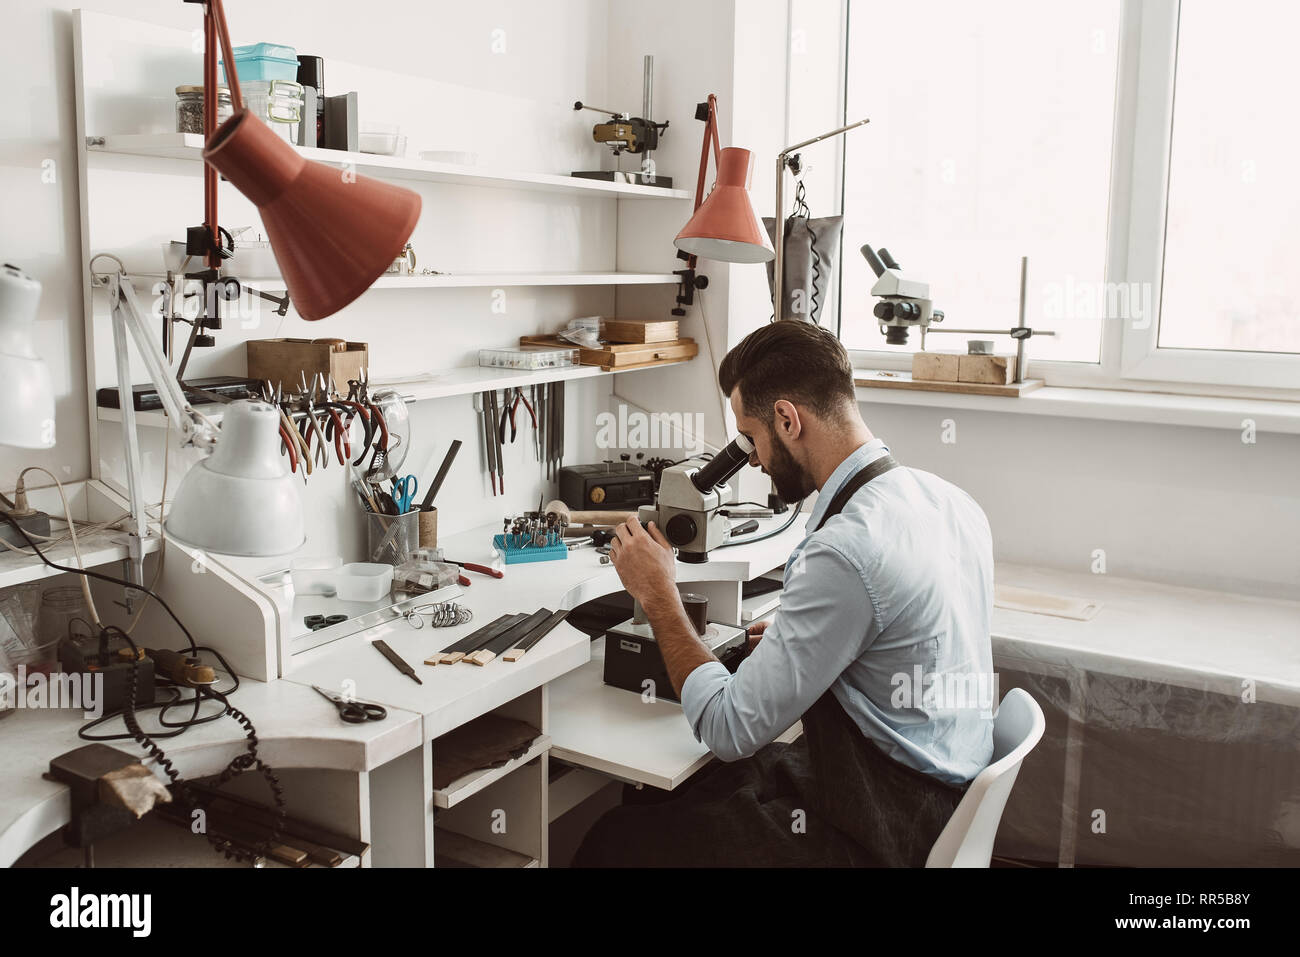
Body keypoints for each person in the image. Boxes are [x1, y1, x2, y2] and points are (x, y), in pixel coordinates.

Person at [573, 321, 996, 867]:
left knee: (616, 839)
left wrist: (659, 595)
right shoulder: (946, 499)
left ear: (788, 419)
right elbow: (914, 635)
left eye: (751, 435)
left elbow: (728, 730)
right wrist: (828, 645)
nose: (751, 458)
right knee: (677, 792)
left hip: (881, 824)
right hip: (943, 794)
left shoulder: (844, 551)